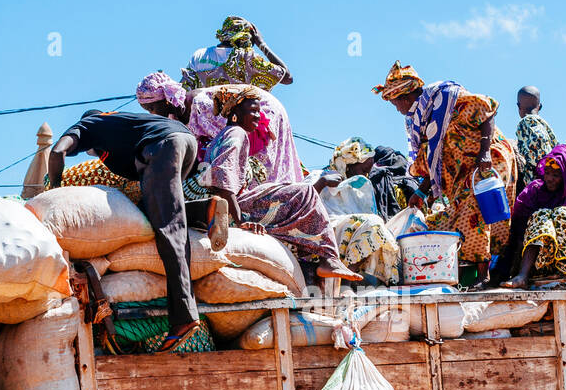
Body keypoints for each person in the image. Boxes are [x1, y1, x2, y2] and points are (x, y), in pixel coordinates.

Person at [48, 108, 228, 352]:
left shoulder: (89, 126)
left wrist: (54, 190)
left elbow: (57, 152)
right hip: (185, 144)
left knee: (170, 231)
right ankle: (204, 210)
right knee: (154, 213)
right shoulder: (122, 123)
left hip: (161, 149)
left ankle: (184, 316)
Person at [372, 61, 517, 285]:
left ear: (406, 97)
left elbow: (486, 112)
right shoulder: (418, 121)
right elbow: (431, 162)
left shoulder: (446, 97)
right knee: (446, 220)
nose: (398, 110)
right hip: (460, 174)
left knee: (474, 211)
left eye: (396, 105)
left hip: (487, 162)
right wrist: (420, 193)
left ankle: (484, 276)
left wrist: (485, 152)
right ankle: (460, 273)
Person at [203, 86, 361, 281]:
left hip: (227, 206)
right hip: (228, 211)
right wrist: (241, 220)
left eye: (258, 111)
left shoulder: (223, 135)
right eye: (252, 111)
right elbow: (223, 178)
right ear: (235, 113)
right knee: (305, 193)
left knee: (291, 191)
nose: (258, 116)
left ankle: (322, 257)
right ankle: (328, 259)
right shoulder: (237, 133)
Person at [136, 70, 304, 183]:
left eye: (151, 108)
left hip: (261, 110)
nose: (152, 115)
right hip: (241, 121)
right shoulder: (175, 116)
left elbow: (235, 134)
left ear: (165, 99)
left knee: (256, 169)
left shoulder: (200, 105)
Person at [497, 144, 566, 291]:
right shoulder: (535, 191)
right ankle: (523, 276)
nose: (549, 179)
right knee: (541, 214)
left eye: (556, 175)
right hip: (544, 261)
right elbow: (519, 231)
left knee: (563, 213)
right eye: (547, 173)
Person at [181, 16, 293, 91]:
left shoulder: (199, 54)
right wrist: (261, 43)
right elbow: (287, 77)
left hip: (201, 123)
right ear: (244, 37)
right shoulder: (245, 57)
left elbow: (184, 88)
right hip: (235, 123)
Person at [329, 137, 418, 219]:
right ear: (347, 167)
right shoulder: (331, 187)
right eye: (364, 171)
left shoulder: (365, 191)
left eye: (368, 172)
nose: (367, 176)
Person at [514, 86, 558, 192]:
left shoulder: (526, 122)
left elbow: (539, 150)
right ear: (540, 106)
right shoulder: (544, 124)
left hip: (539, 185)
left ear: (518, 106)